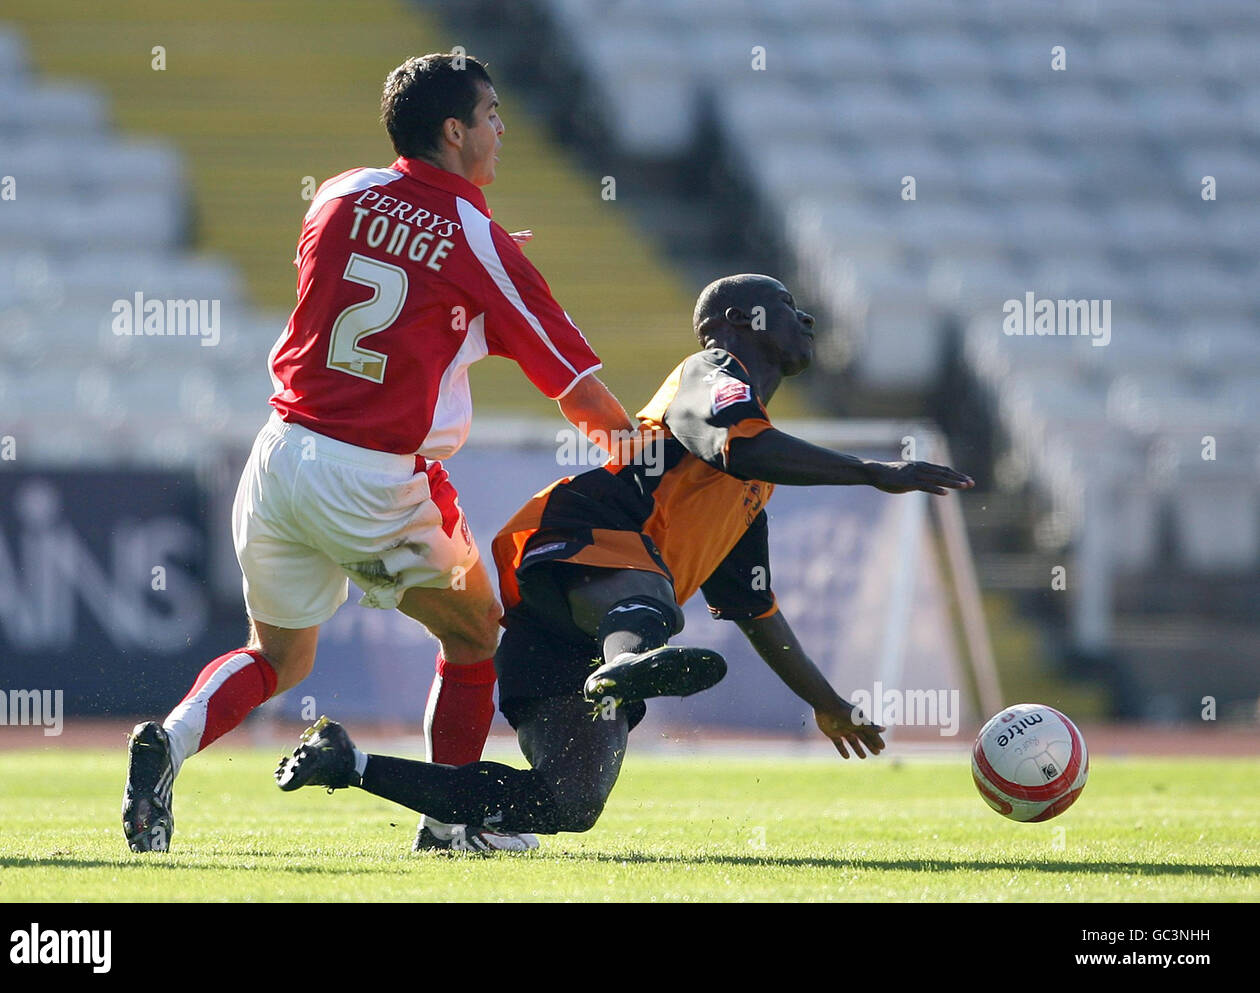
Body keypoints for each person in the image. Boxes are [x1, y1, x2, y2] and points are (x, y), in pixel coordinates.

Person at [122, 53, 635, 853]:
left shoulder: (337, 192)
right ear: (454, 130)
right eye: (491, 113)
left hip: (281, 455)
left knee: (278, 656)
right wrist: (643, 464)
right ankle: (450, 823)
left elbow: (377, 282)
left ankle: (172, 737)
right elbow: (574, 388)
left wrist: (471, 271)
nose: (502, 128)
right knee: (476, 636)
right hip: (370, 476)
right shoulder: (478, 240)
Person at [272, 274, 975, 838]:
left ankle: (350, 762)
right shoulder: (710, 371)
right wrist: (874, 471)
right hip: (571, 540)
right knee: (654, 595)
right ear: (733, 319)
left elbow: (755, 607)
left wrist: (830, 705)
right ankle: (623, 663)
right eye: (786, 305)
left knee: (565, 805)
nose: (807, 321)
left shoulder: (750, 480)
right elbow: (741, 438)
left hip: (566, 631)